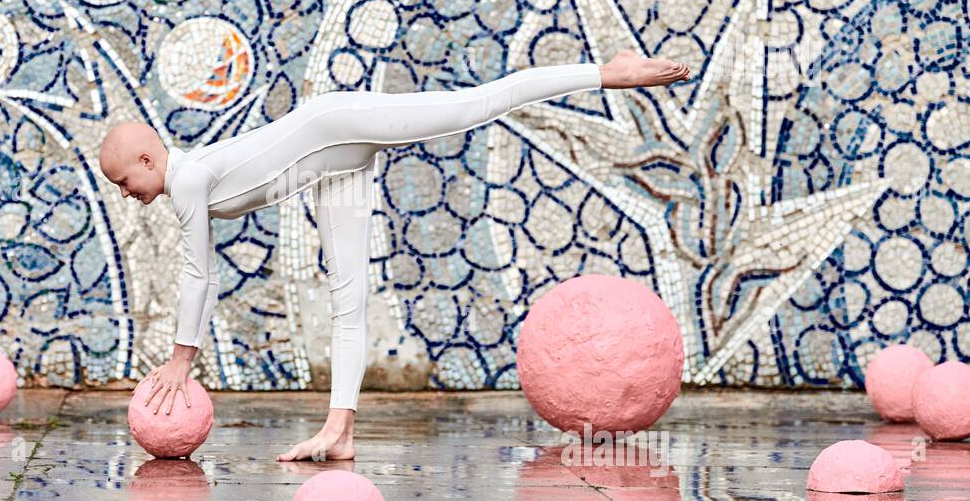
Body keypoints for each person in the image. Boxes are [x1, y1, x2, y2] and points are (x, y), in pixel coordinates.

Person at [98, 49, 691, 461]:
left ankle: (605, 72)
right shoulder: (188, 179)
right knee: (347, 301)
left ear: (148, 162)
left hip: (339, 124)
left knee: (472, 106)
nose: (127, 195)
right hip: (333, 170)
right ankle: (341, 430)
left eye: (125, 182)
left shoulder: (189, 181)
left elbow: (199, 274)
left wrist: (180, 361)